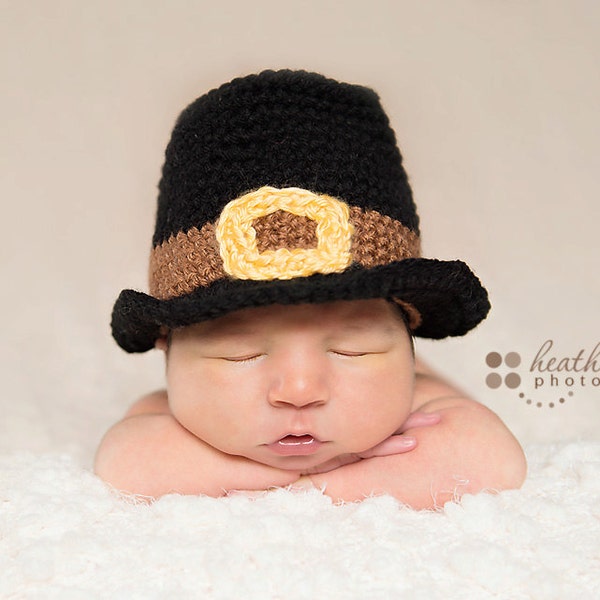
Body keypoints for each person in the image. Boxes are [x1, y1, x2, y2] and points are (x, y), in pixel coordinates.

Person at [95, 70, 526, 509]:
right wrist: (291, 478)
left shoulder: (419, 399)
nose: (300, 390)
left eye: (352, 350)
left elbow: (491, 460)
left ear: (408, 339)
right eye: (241, 353)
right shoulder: (164, 410)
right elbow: (123, 463)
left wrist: (315, 490)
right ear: (167, 348)